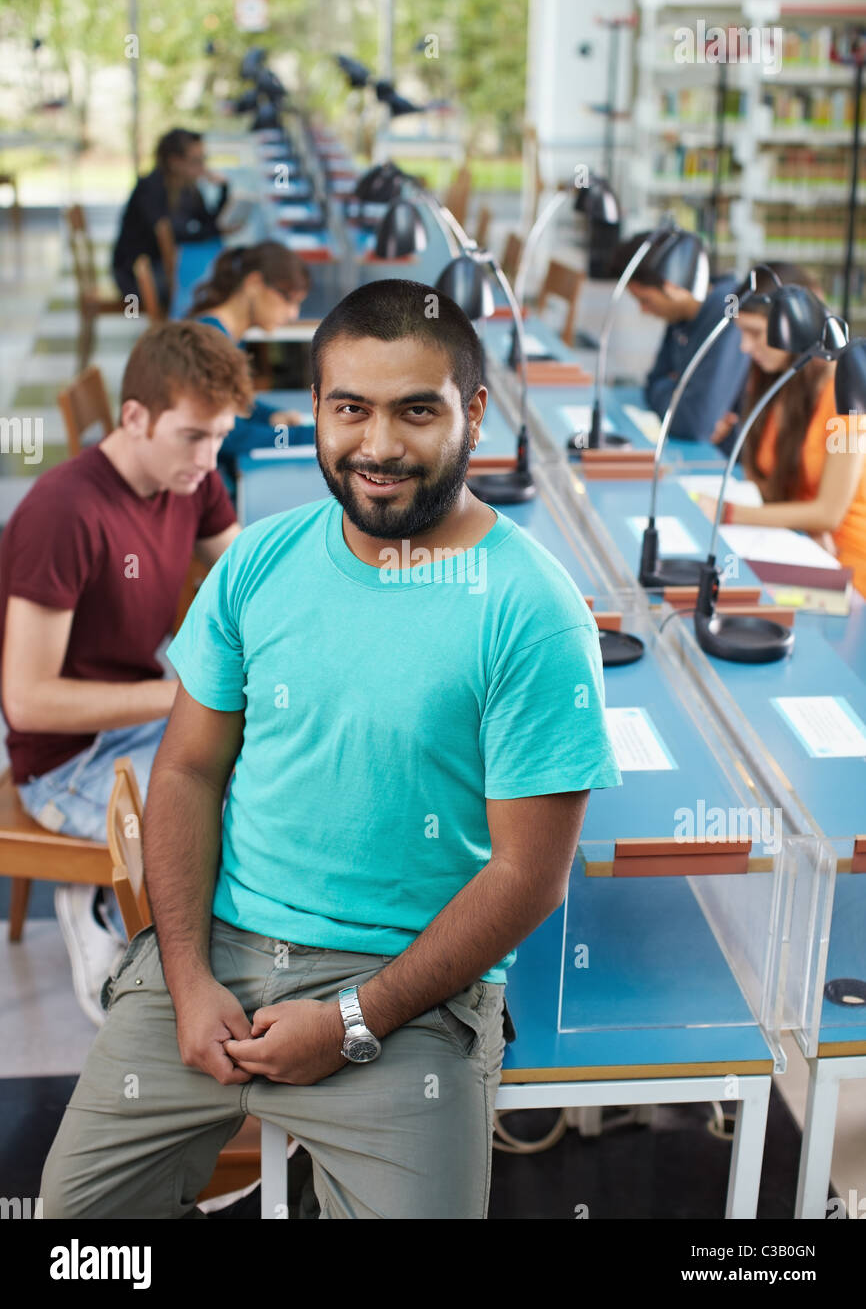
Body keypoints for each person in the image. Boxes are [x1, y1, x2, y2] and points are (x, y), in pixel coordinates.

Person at [40, 278, 621, 1221]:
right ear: (314, 408)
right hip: (216, 959)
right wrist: (186, 981)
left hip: (409, 998)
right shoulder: (259, 563)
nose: (380, 446)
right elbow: (186, 771)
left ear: (473, 413)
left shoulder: (534, 614)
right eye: (351, 408)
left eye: (416, 412)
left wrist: (352, 1022)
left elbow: (529, 878)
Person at [0, 322, 249, 1025]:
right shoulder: (64, 513)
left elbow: (242, 578)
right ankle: (120, 914)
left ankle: (126, 895)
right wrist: (181, 694)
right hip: (65, 762)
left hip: (138, 722)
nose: (210, 458)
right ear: (134, 418)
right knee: (231, 813)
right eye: (194, 436)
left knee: (272, 772)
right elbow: (26, 702)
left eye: (221, 437)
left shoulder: (187, 481)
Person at [694, 264, 866, 596]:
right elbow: (761, 479)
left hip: (846, 564)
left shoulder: (846, 397)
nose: (744, 347)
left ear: (796, 328)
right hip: (798, 544)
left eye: (756, 333)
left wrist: (726, 511)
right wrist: (800, 523)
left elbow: (829, 514)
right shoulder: (775, 379)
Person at [189, 241, 313, 495]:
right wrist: (309, 437)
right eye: (288, 299)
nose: (293, 314)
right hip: (206, 486)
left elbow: (231, 402)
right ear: (255, 284)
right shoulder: (212, 342)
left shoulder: (226, 334)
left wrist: (268, 417)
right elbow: (230, 436)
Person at [613, 232, 751, 449]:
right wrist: (674, 390)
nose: (643, 310)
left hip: (727, 459)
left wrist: (673, 387)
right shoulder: (679, 315)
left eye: (645, 300)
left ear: (672, 286)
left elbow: (695, 423)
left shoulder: (729, 315)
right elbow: (652, 383)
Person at [112, 128, 230, 310]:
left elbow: (207, 222)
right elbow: (174, 234)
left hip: (161, 264)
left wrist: (223, 189)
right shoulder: (150, 189)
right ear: (175, 162)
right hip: (135, 275)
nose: (203, 167)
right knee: (207, 290)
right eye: (196, 161)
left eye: (204, 159)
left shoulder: (187, 187)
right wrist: (215, 231)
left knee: (215, 279)